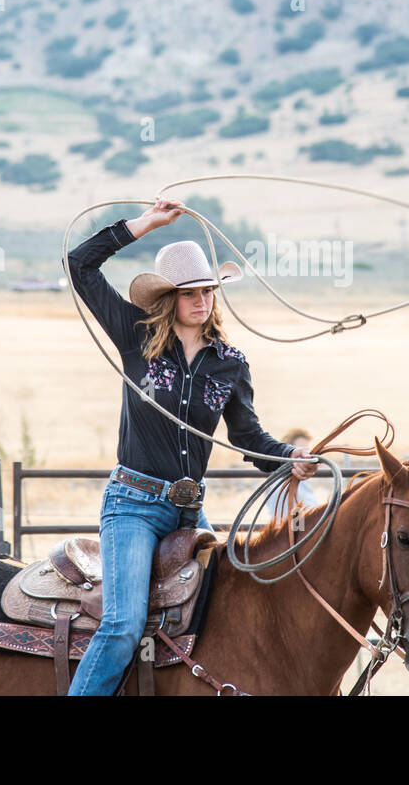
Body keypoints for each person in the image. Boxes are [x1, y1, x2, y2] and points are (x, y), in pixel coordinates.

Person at [64, 196, 316, 696]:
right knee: (122, 626)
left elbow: (247, 436)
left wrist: (288, 458)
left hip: (190, 510)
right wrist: (144, 224)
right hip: (133, 506)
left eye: (208, 291)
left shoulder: (230, 363)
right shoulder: (135, 338)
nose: (202, 301)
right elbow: (79, 264)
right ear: (168, 298)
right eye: (190, 293)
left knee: (228, 612)